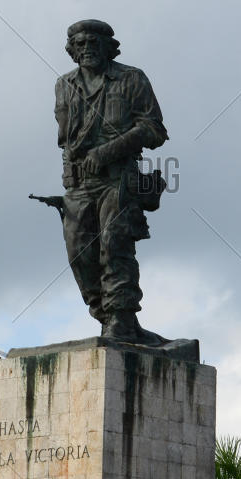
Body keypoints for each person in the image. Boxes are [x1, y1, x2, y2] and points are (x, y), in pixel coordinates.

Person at [49, 19, 171, 345]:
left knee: (114, 246)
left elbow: (154, 129)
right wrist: (68, 181)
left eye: (94, 42)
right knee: (80, 255)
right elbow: (66, 142)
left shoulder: (131, 78)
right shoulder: (64, 85)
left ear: (108, 47)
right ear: (72, 51)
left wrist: (107, 152)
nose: (87, 48)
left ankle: (121, 319)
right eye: (81, 44)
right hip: (78, 185)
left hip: (118, 178)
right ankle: (106, 316)